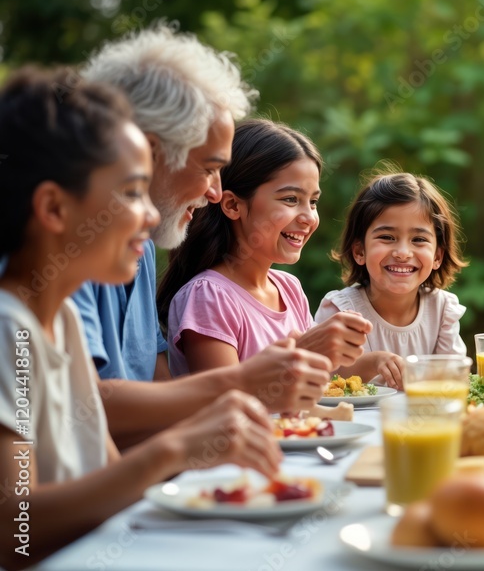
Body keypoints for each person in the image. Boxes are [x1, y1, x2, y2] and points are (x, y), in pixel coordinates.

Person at [0, 68, 282, 570]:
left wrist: (200, 444)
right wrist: (174, 450)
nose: (150, 215)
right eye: (131, 192)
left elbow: (108, 479)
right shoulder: (10, 332)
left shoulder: (60, 322)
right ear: (54, 208)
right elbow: (15, 531)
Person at [73, 23, 365, 447]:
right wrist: (251, 379)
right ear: (149, 151)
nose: (214, 191)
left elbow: (157, 388)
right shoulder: (63, 255)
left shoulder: (142, 248)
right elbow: (82, 408)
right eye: (210, 168)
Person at [159, 119, 370, 375]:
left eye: (313, 202)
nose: (308, 217)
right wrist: (306, 350)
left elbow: (314, 386)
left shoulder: (289, 289)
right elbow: (224, 395)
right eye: (290, 199)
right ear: (233, 205)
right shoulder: (208, 296)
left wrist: (373, 362)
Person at [315, 169, 469, 388]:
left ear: (437, 256)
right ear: (359, 251)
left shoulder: (443, 310)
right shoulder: (340, 311)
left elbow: (454, 379)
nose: (403, 253)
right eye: (387, 237)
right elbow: (320, 379)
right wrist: (373, 363)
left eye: (418, 239)